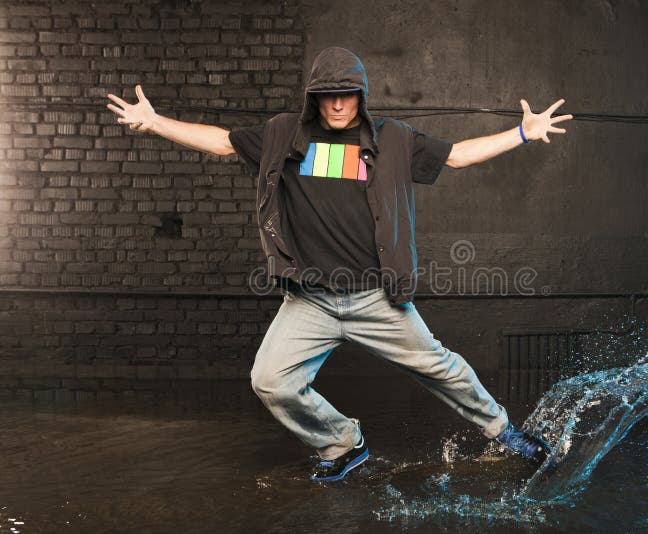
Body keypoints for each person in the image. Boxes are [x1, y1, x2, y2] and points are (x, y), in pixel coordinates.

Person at [106, 46, 572, 483]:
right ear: (314, 98)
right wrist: (156, 122)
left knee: (442, 368)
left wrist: (522, 134)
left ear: (360, 95)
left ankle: (505, 433)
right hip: (311, 301)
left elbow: (457, 156)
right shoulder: (284, 135)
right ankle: (342, 445)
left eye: (345, 93)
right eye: (327, 95)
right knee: (269, 380)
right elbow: (223, 143)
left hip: (376, 297)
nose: (336, 104)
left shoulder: (392, 139)